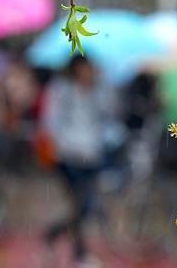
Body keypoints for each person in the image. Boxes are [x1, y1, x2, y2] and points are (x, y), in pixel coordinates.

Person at [42, 56, 116, 265]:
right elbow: (51, 121)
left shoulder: (99, 91)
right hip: (68, 156)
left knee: (84, 206)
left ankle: (55, 233)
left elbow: (109, 115)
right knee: (78, 203)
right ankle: (79, 253)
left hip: (91, 155)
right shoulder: (62, 91)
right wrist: (61, 146)